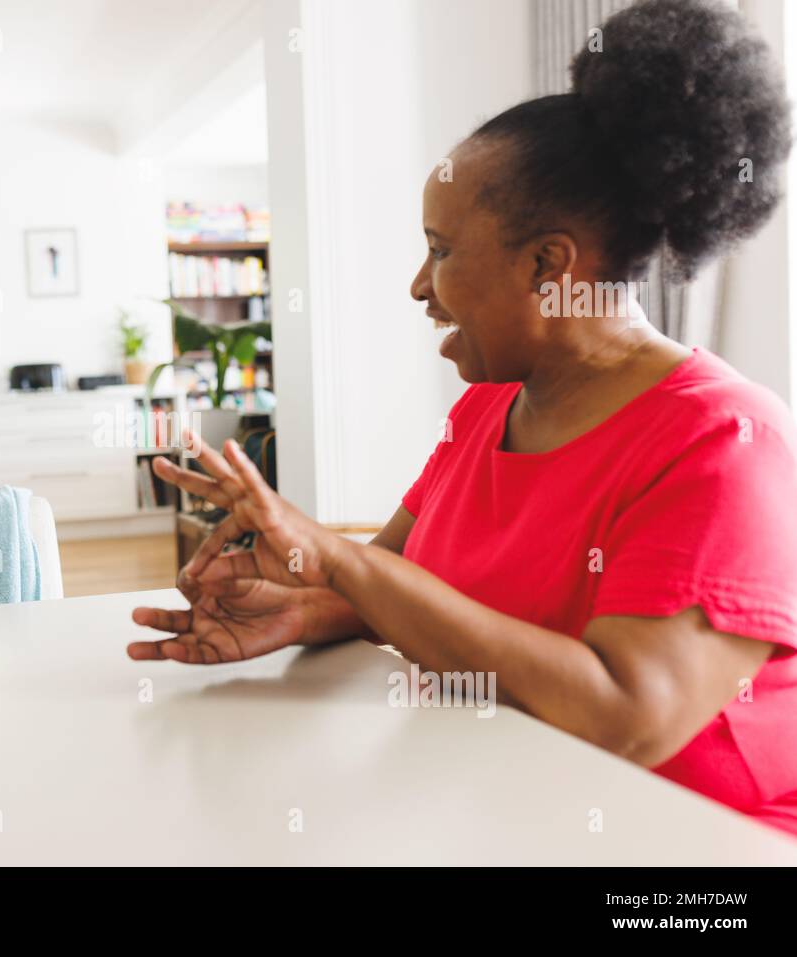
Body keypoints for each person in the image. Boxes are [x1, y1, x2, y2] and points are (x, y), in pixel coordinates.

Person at [129, 0, 797, 835]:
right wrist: (301, 605)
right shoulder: (488, 408)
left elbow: (627, 714)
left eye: (441, 250)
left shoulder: (726, 440)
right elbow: (393, 591)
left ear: (548, 264)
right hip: (508, 813)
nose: (419, 285)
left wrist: (340, 562)